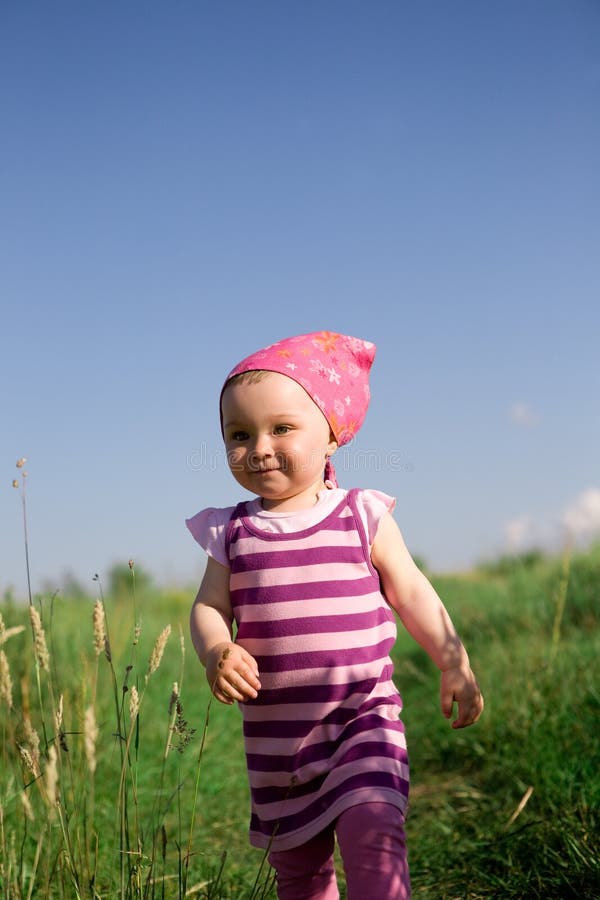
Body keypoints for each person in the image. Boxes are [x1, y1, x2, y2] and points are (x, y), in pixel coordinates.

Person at [187, 330, 483, 900]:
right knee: (299, 872)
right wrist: (216, 649)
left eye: (282, 428)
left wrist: (454, 661)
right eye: (239, 434)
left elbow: (413, 592)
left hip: (362, 718)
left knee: (373, 835)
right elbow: (208, 606)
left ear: (331, 434)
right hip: (279, 741)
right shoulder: (231, 530)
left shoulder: (361, 514)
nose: (259, 447)